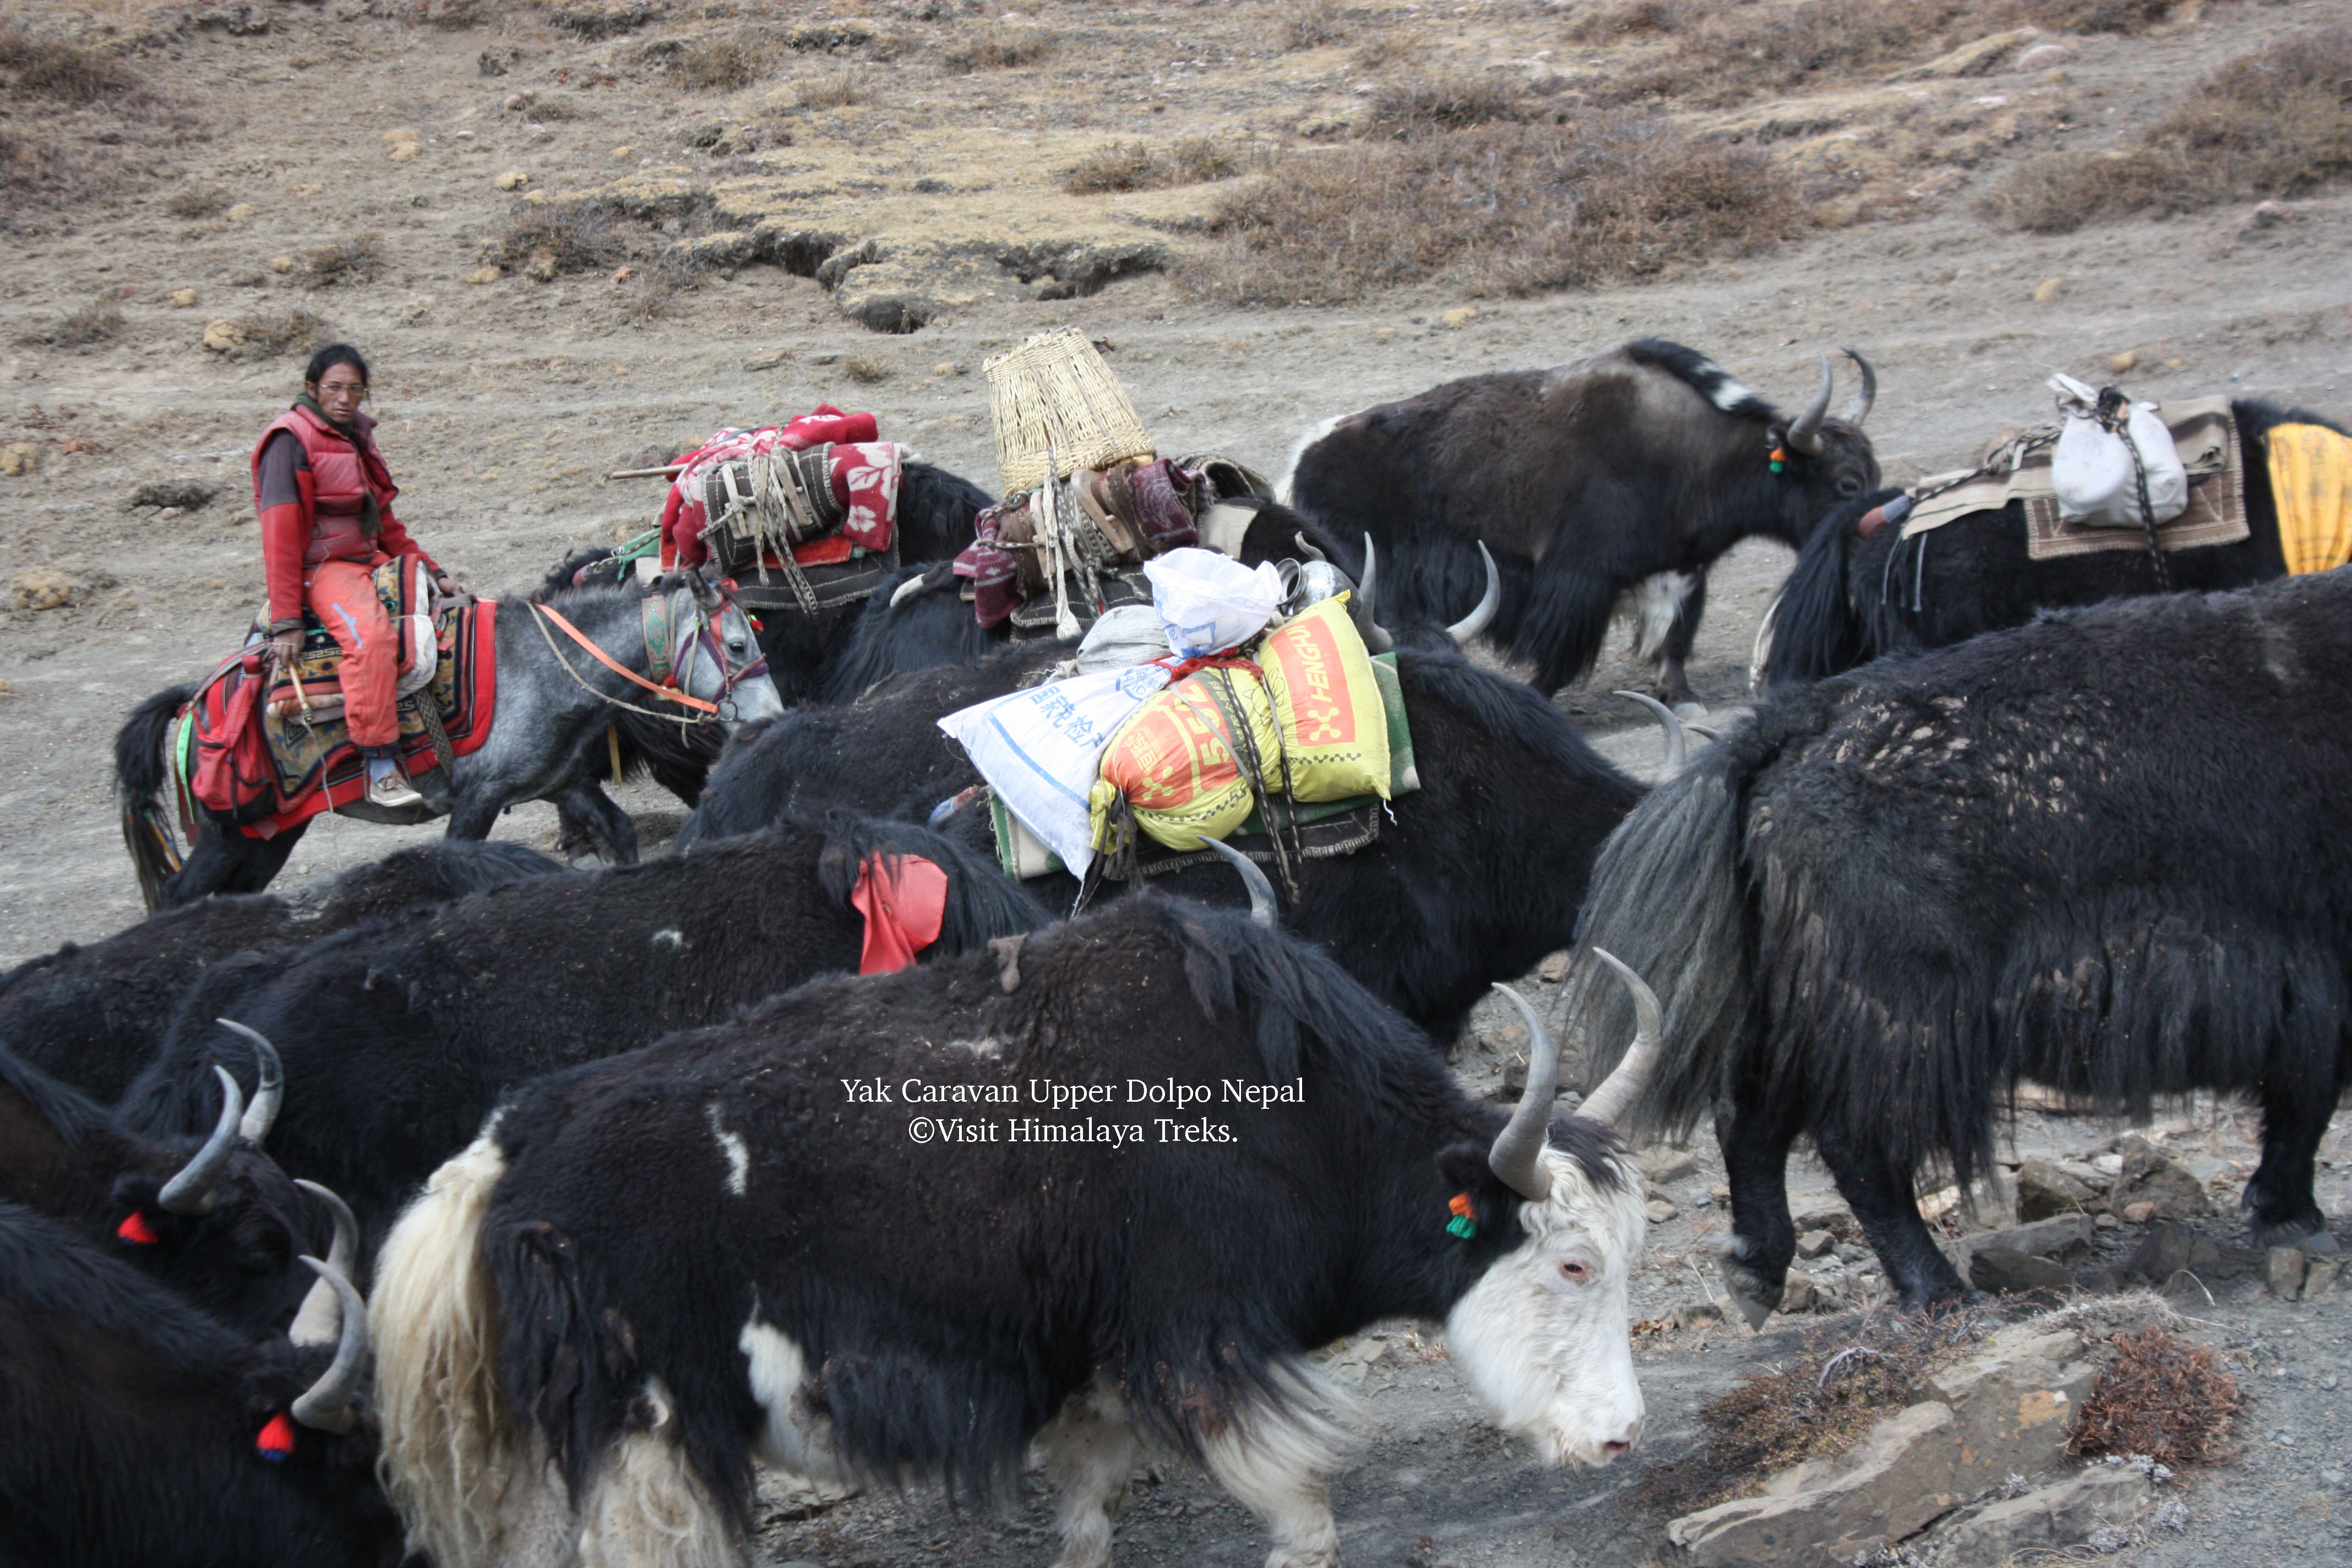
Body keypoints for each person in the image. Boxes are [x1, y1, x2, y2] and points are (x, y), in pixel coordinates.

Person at [250, 345, 462, 809]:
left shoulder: (352, 438)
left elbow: (386, 524)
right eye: (335, 388)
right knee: (372, 642)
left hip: (370, 558)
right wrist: (287, 621)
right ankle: (380, 766)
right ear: (312, 389)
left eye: (355, 389)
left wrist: (436, 573)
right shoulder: (288, 441)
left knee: (463, 622)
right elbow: (281, 537)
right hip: (323, 568)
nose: (346, 398)